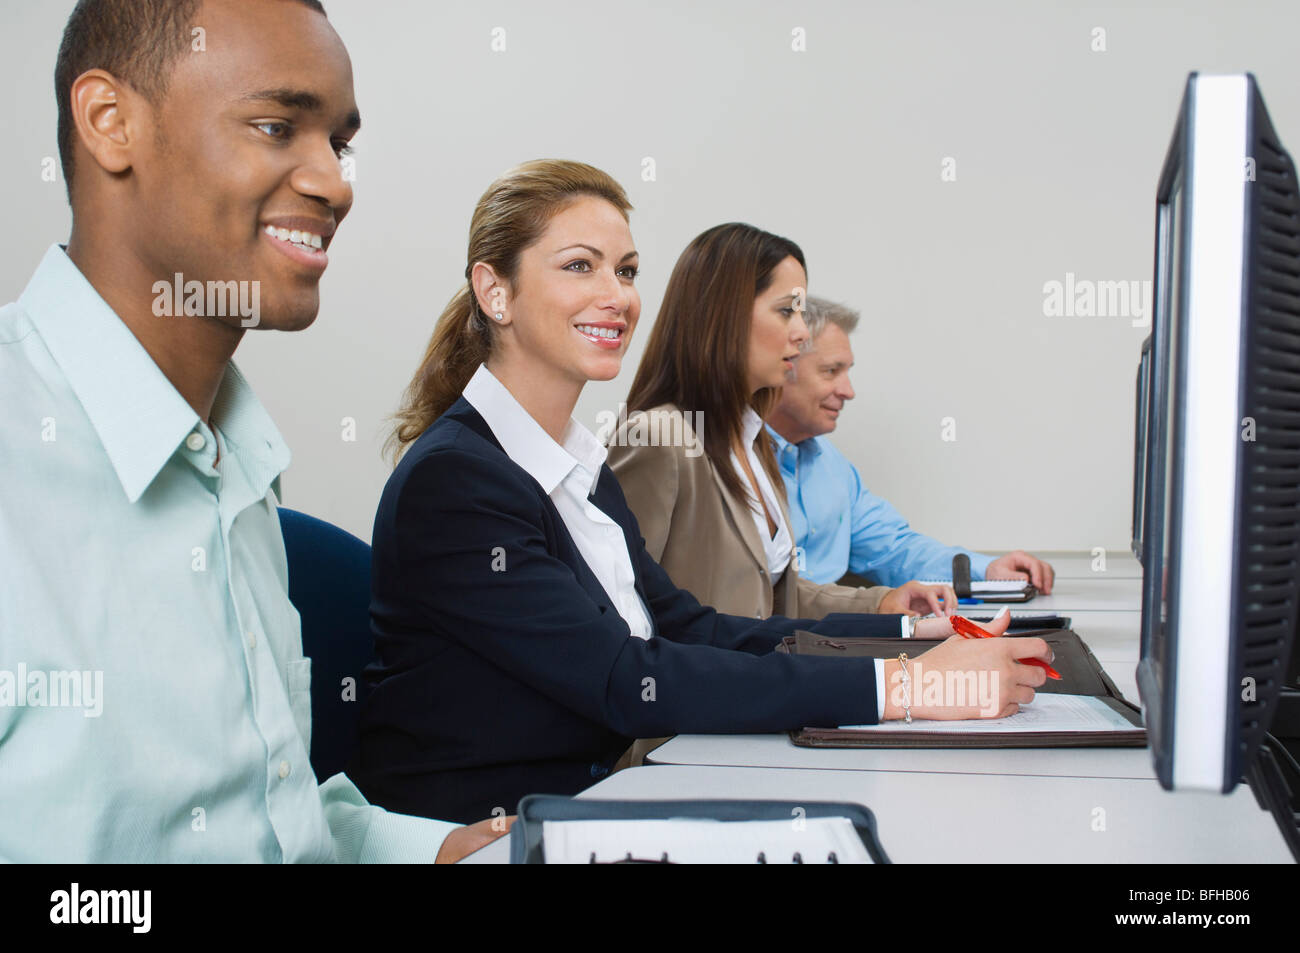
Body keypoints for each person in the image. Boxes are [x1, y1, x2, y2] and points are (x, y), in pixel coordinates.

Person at [351, 159, 1051, 825]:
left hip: (611, 787)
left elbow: (691, 627)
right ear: (494, 290)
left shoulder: (577, 464)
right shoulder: (458, 479)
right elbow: (626, 676)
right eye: (579, 266)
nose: (618, 295)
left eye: (626, 270)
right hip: (503, 825)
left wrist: (906, 640)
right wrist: (910, 687)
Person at [0, 0, 502, 863]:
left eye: (338, 144)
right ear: (110, 123)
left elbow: (265, 824)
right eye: (277, 126)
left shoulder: (234, 458)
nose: (336, 183)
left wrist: (448, 851)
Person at [607, 223, 956, 622]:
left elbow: (768, 593)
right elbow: (625, 609)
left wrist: (876, 603)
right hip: (709, 682)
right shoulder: (659, 438)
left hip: (759, 676)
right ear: (726, 316)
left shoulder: (750, 440)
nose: (801, 333)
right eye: (786, 310)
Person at [766, 296, 1056, 592]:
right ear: (781, 365)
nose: (848, 391)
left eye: (847, 372)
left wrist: (988, 569)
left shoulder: (831, 465)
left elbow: (894, 549)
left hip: (828, 632)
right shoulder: (732, 461)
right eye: (831, 371)